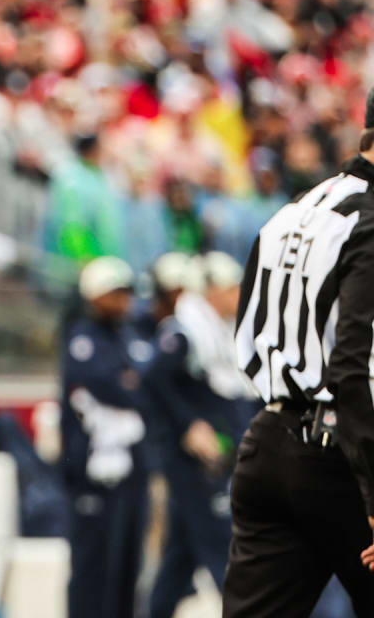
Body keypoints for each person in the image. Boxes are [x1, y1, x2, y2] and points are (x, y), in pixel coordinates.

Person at [223, 89, 374, 615]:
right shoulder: (370, 220)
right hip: (342, 455)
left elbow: (247, 330)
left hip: (267, 441)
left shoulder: (299, 208)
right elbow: (354, 371)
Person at [145, 252, 257, 618]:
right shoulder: (184, 331)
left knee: (179, 560)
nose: (239, 295)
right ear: (211, 292)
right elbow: (154, 378)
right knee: (224, 554)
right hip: (196, 466)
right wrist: (188, 425)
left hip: (215, 460)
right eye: (232, 289)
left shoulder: (219, 330)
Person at [60, 256, 150, 618]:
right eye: (115, 293)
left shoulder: (131, 337)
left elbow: (148, 387)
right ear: (94, 295)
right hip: (93, 474)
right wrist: (130, 384)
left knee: (129, 565)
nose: (123, 301)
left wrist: (133, 384)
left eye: (126, 294)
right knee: (94, 565)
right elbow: (112, 388)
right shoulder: (82, 339)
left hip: (133, 471)